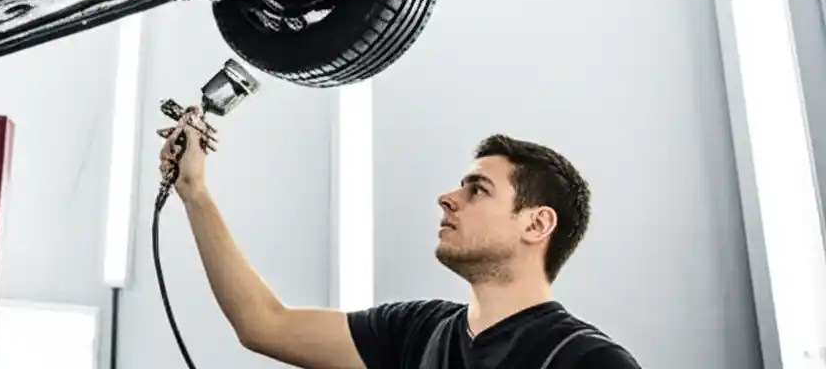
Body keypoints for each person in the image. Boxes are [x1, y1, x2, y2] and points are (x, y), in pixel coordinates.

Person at [158, 107, 642, 369]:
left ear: (536, 224)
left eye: (478, 190)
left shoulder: (590, 362)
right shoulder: (417, 331)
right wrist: (194, 192)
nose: (447, 197)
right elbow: (263, 325)